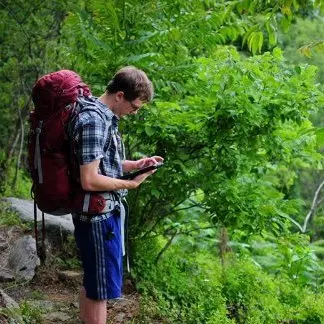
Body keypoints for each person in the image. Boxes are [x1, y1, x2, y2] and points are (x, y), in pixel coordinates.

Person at [71, 66, 163, 324]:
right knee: (100, 291)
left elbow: (99, 164)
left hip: (101, 211)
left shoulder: (103, 117)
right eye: (134, 107)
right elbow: (89, 179)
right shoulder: (94, 121)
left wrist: (133, 166)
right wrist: (129, 185)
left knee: (94, 282)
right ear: (120, 95)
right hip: (97, 216)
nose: (134, 113)